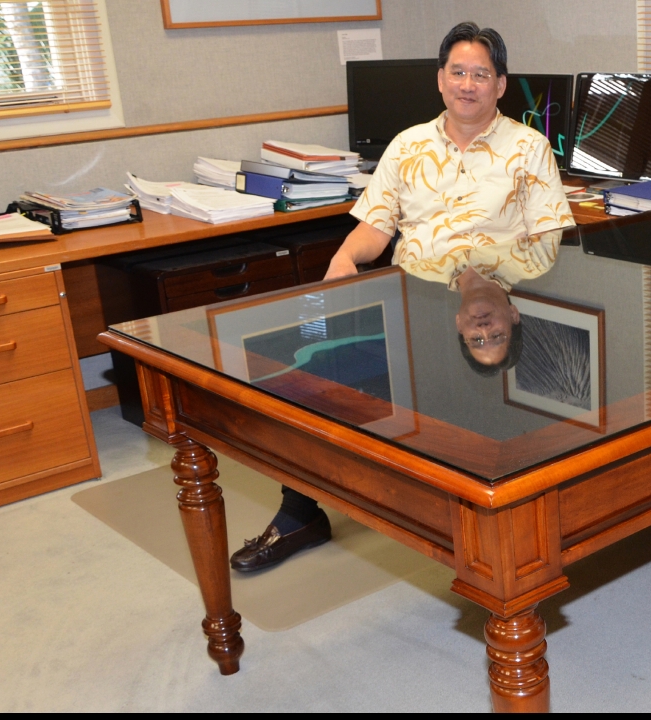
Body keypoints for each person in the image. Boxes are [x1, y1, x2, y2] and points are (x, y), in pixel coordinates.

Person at [229, 21, 575, 572]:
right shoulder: (407, 146)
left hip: (496, 311)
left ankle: (479, 526)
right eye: (458, 72)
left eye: (480, 74)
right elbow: (375, 228)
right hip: (409, 306)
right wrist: (345, 258)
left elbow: (548, 246)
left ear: (501, 85)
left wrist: (482, 283)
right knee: (309, 371)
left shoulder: (529, 148)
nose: (467, 84)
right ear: (440, 79)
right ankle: (300, 510)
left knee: (475, 406)